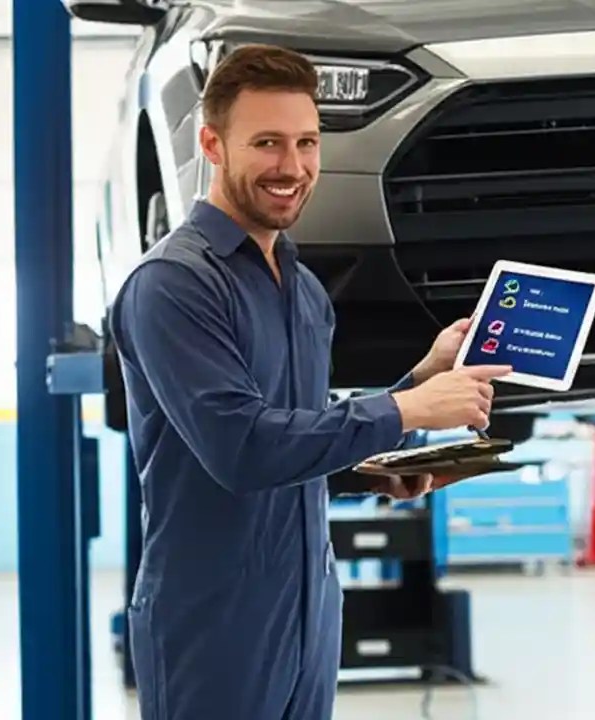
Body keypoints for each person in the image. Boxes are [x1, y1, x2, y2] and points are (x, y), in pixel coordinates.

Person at [109, 44, 511, 720]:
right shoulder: (174, 286)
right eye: (266, 143)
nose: (291, 167)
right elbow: (241, 448)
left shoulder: (300, 290)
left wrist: (396, 423)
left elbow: (296, 440)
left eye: (307, 142)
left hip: (307, 611)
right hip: (213, 623)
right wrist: (406, 409)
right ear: (212, 143)